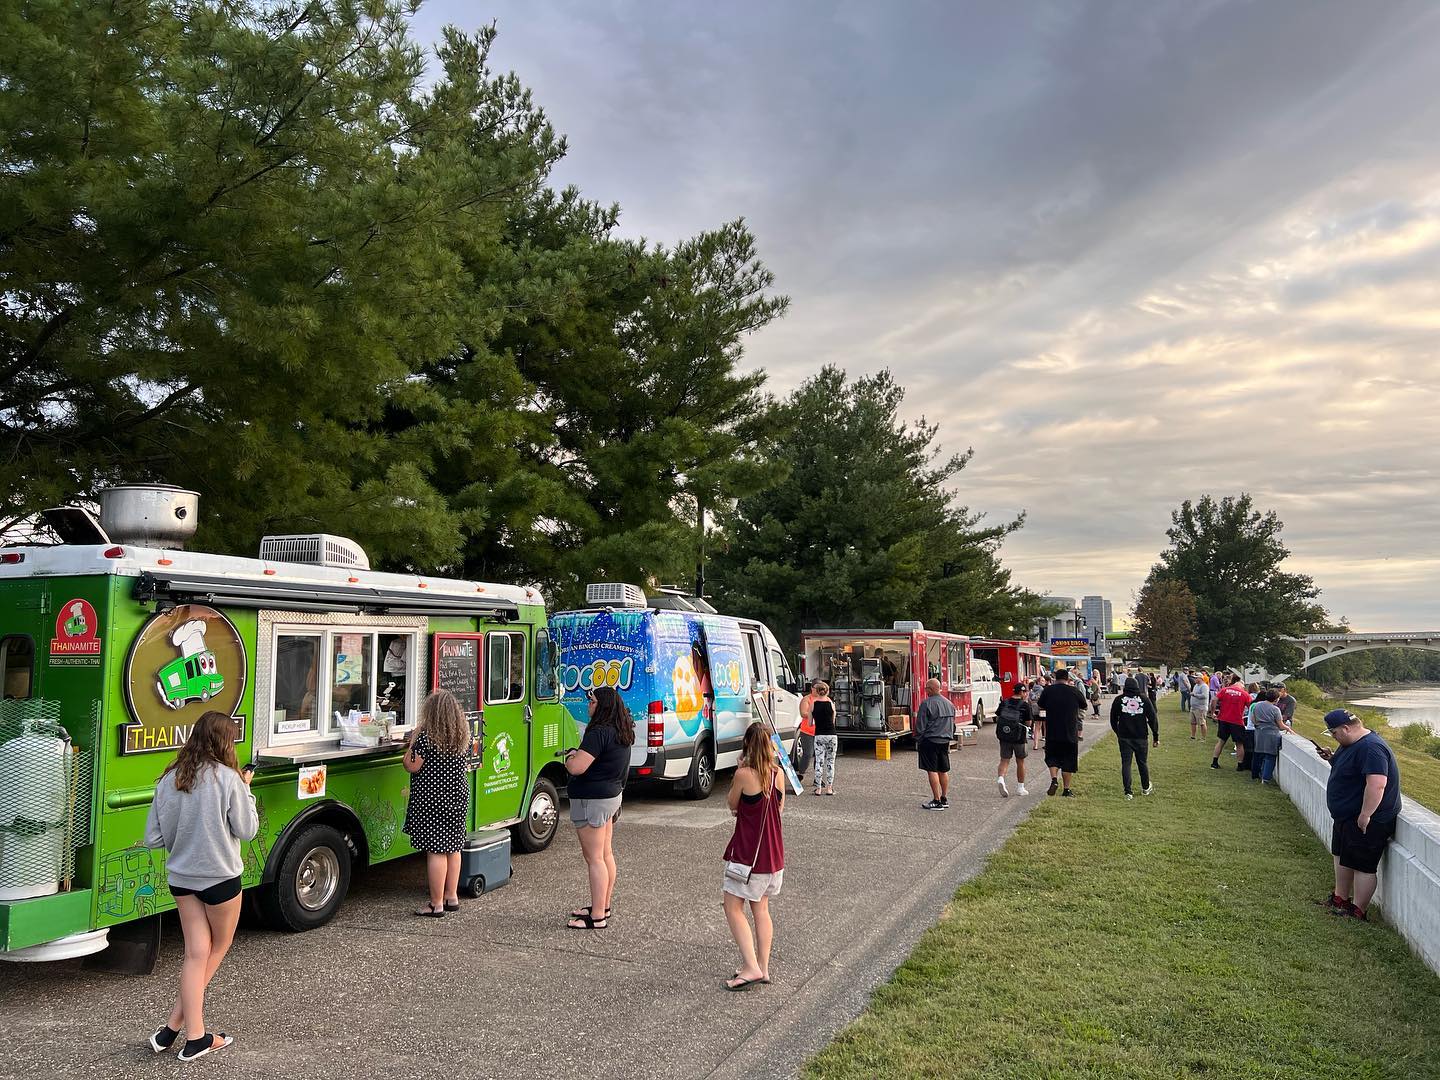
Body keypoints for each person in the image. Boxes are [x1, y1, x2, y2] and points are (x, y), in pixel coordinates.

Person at [143, 710, 258, 1061]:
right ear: (225, 741)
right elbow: (248, 830)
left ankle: (171, 1031)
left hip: (181, 880)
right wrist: (247, 791)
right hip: (220, 879)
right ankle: (195, 1038)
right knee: (216, 949)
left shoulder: (169, 780)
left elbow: (153, 838)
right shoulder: (229, 779)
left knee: (195, 955)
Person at [1315, 709, 1402, 921]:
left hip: (1368, 819)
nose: (1333, 737)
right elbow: (1351, 770)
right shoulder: (1350, 744)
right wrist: (1332, 759)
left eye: (1334, 732)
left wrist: (1365, 815)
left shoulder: (1371, 747)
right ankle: (1340, 899)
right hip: (1346, 816)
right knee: (1342, 857)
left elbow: (1377, 784)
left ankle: (1358, 910)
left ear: (1346, 728)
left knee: (1363, 866)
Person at [564, 685, 635, 929]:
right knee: (605, 854)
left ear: (602, 706)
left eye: (592, 701)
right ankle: (602, 905)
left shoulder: (598, 733)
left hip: (591, 800)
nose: (588, 705)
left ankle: (597, 918)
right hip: (610, 797)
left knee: (594, 859)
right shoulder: (621, 730)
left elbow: (577, 767)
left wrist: (569, 757)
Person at [723, 722, 786, 990]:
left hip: (748, 855)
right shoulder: (778, 774)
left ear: (747, 745)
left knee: (732, 906)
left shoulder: (744, 775)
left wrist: (739, 767)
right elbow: (779, 810)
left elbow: (732, 804)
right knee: (761, 909)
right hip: (773, 854)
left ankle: (750, 967)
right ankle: (763, 965)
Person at [403, 689, 472, 917]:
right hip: (457, 796)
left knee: (435, 851)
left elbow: (411, 765)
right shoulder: (462, 734)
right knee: (453, 847)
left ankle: (435, 904)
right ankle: (451, 897)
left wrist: (412, 739)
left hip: (433, 800)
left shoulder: (426, 737)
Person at [1038, 669, 1087, 797]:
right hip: (1070, 731)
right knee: (1068, 761)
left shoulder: (1048, 690)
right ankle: (1066, 789)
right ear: (1067, 679)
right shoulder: (1074, 691)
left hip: (1053, 730)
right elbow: (1084, 705)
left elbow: (1040, 704)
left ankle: (1054, 779)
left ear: (1055, 678)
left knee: (1052, 757)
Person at [1109, 677, 1159, 800]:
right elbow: (1152, 718)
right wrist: (1155, 735)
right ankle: (1146, 787)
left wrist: (1118, 732)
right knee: (1142, 762)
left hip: (1124, 736)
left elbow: (1113, 718)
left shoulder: (1119, 700)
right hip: (1141, 736)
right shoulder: (1144, 699)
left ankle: (1128, 792)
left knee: (1126, 763)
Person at [915, 678, 957, 810]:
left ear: (931, 689)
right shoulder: (950, 704)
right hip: (944, 741)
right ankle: (944, 798)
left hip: (930, 740)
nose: (925, 690)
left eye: (927, 688)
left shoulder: (926, 704)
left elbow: (920, 726)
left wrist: (918, 739)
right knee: (943, 770)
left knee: (932, 770)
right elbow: (953, 725)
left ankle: (936, 800)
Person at [994, 681, 1034, 797]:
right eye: (1025, 691)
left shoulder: (1004, 702)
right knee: (1020, 761)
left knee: (1004, 760)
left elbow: (998, 715)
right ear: (1022, 692)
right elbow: (1028, 722)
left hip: (1004, 736)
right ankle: (1020, 788)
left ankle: (1001, 778)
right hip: (1019, 737)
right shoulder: (1025, 705)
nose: (1026, 694)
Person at [1249, 688, 1292, 784]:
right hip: (1271, 734)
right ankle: (1265, 778)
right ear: (1276, 699)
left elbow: (1253, 720)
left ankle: (1255, 774)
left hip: (1259, 732)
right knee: (1270, 756)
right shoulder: (1275, 709)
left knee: (1257, 754)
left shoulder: (1257, 705)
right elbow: (1280, 725)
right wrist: (1288, 728)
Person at [1210, 673, 1251, 771]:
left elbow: (1214, 699)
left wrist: (1213, 712)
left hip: (1223, 719)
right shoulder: (1245, 694)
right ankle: (1240, 765)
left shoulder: (1224, 690)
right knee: (1239, 744)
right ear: (1241, 685)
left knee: (1221, 741)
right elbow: (1252, 707)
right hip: (1237, 721)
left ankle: (1214, 762)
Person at [809, 680, 838, 796]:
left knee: (819, 761)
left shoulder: (813, 704)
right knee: (831, 761)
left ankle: (818, 788)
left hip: (819, 735)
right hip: (831, 735)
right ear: (827, 691)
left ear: (817, 691)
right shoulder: (831, 704)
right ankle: (830, 788)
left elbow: (810, 723)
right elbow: (833, 720)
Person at [794, 681, 817, 784]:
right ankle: (801, 773)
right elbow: (803, 713)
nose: (819, 690)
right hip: (807, 731)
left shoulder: (825, 699)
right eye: (817, 687)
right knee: (808, 754)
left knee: (820, 755)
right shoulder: (806, 699)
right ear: (812, 688)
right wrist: (818, 712)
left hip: (821, 731)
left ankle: (818, 778)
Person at [1188, 675, 1211, 740]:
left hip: (1200, 708)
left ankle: (1203, 738)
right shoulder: (1196, 686)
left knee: (1202, 723)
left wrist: (1194, 695)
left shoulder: (1204, 686)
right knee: (1193, 722)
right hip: (1193, 707)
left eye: (1196, 678)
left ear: (1200, 678)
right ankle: (1193, 736)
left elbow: (1204, 696)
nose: (1194, 679)